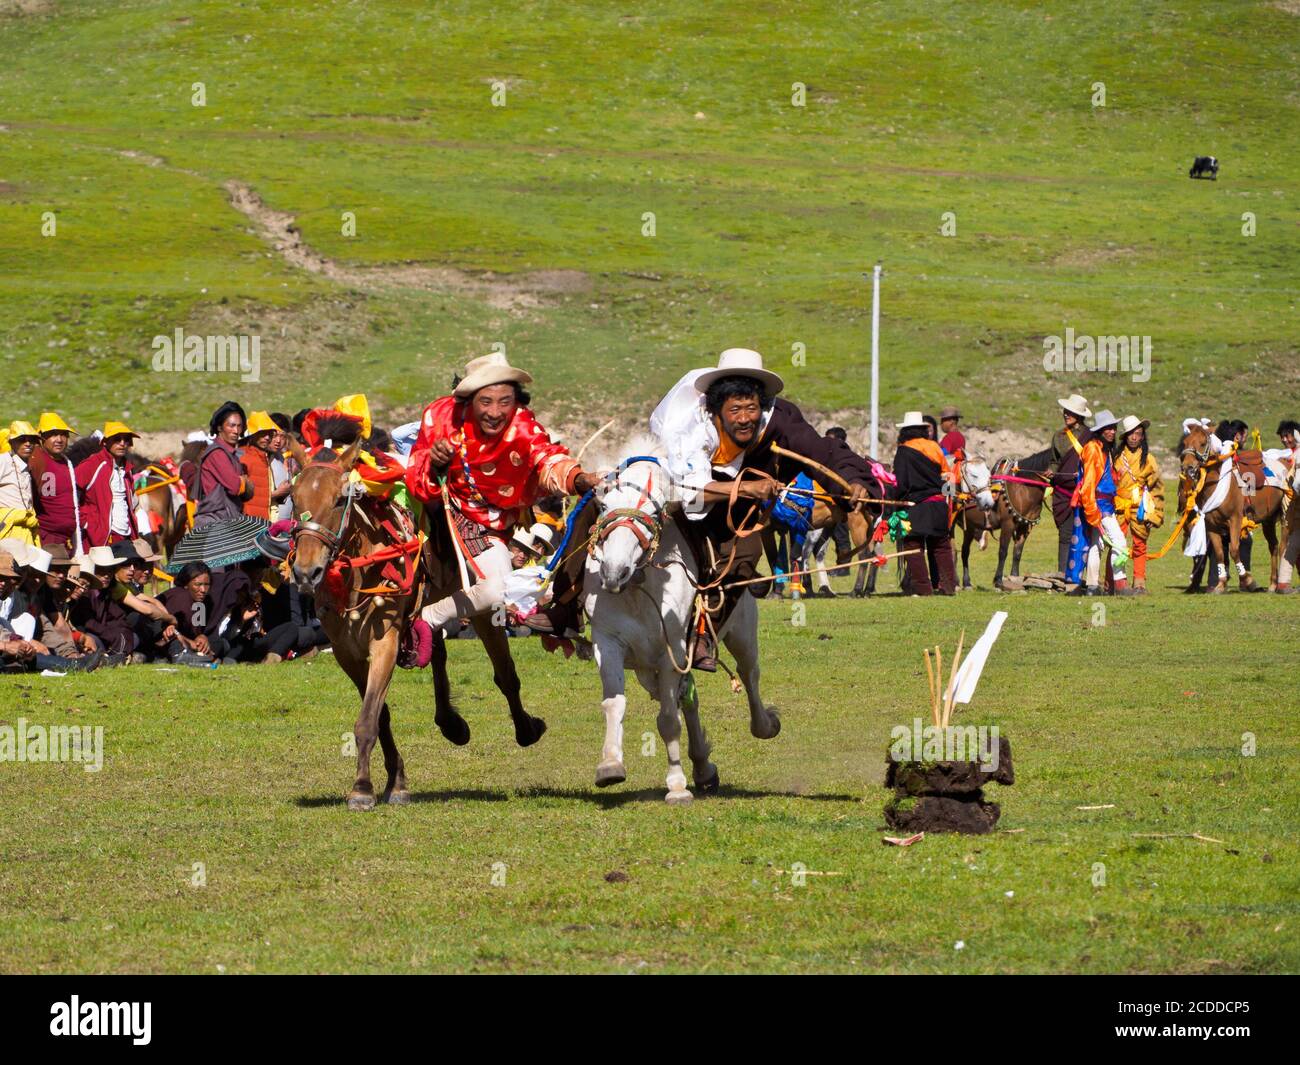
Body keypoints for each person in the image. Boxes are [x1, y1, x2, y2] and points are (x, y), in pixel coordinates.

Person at [649, 348, 880, 668]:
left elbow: (825, 454)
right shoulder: (690, 426)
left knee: (745, 558)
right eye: (735, 409)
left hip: (740, 510)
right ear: (717, 408)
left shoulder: (780, 420)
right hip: (677, 496)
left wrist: (853, 482)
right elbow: (688, 492)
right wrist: (746, 487)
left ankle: (703, 636)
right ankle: (564, 605)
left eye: (751, 407)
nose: (744, 418)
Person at [406, 352, 601, 639]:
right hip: (457, 508)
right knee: (495, 591)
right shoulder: (442, 418)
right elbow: (416, 472)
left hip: (505, 518)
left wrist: (578, 478)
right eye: (485, 402)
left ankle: (426, 619)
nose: (495, 413)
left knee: (499, 592)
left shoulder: (523, 424)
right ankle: (422, 617)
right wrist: (435, 462)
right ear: (470, 400)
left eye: (505, 402)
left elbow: (546, 457)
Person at [892, 411, 957, 596]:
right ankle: (948, 587)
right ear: (922, 430)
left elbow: (901, 482)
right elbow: (948, 475)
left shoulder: (904, 450)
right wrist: (946, 498)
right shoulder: (934, 447)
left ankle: (923, 588)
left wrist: (897, 504)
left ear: (905, 431)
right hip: (938, 505)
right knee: (941, 546)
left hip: (916, 505)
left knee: (913, 546)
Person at [1066, 410, 1131, 596]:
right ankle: (1120, 585)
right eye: (1107, 428)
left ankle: (1093, 587)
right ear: (1100, 430)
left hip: (1105, 505)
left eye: (1113, 428)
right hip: (1099, 507)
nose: (1111, 432)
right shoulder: (1094, 449)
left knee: (1097, 545)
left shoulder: (1104, 449)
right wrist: (1094, 513)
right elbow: (1088, 485)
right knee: (1119, 541)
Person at [1112, 415, 1164, 595]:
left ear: (1142, 436)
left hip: (1139, 507)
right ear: (1125, 436)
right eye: (1131, 434)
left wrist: (1155, 514)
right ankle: (1112, 582)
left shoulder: (1148, 459)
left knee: (1139, 544)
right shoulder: (1116, 457)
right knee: (1116, 545)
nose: (1134, 437)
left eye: (1138, 434)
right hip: (1118, 506)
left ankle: (1139, 582)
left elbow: (1157, 487)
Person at [1047, 394, 1093, 579]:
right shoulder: (1058, 436)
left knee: (1087, 535)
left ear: (1079, 415)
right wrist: (1051, 471)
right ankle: (1062, 574)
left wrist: (1084, 474)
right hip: (1064, 493)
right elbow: (1054, 461)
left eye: (1071, 412)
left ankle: (1087, 576)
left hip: (1086, 491)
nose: (1066, 414)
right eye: (1065, 411)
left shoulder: (1091, 435)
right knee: (1065, 534)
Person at [76, 421, 143, 546]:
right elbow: (71, 494)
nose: (122, 443)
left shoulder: (127, 469)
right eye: (117, 439)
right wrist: (87, 524)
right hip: (101, 537)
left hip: (126, 534)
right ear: (105, 442)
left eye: (126, 439)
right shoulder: (92, 464)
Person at [27, 412, 83, 553]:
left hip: (66, 539)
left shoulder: (66, 463)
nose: (59, 439)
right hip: (46, 536)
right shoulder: (36, 459)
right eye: (53, 434)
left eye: (63, 434)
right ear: (41, 438)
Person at [194, 401, 252, 528]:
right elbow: (235, 487)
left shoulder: (231, 454)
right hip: (213, 522)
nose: (236, 431)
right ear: (220, 427)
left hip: (228, 518)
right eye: (231, 426)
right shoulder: (217, 454)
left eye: (239, 426)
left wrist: (244, 482)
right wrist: (245, 481)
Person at [239, 410, 289, 522]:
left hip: (269, 521)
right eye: (262, 433)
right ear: (252, 434)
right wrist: (277, 493)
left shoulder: (267, 457)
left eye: (270, 434)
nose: (267, 438)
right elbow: (245, 497)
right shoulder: (244, 458)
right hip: (252, 523)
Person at [0, 420, 41, 545]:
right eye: (22, 439)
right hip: (7, 531)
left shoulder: (27, 466)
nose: (28, 444)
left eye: (32, 440)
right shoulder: (3, 461)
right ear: (12, 443)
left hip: (25, 531)